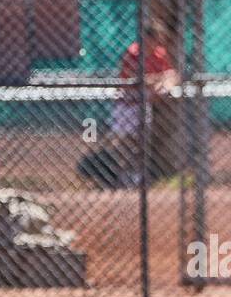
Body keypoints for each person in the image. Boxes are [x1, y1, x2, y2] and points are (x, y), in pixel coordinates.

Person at [77, 17, 180, 189]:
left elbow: (170, 74)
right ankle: (115, 175)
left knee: (141, 141)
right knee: (123, 142)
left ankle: (135, 176)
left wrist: (160, 81)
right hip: (126, 105)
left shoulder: (158, 53)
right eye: (156, 38)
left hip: (143, 104)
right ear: (147, 38)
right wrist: (156, 80)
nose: (159, 42)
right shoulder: (134, 53)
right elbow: (133, 80)